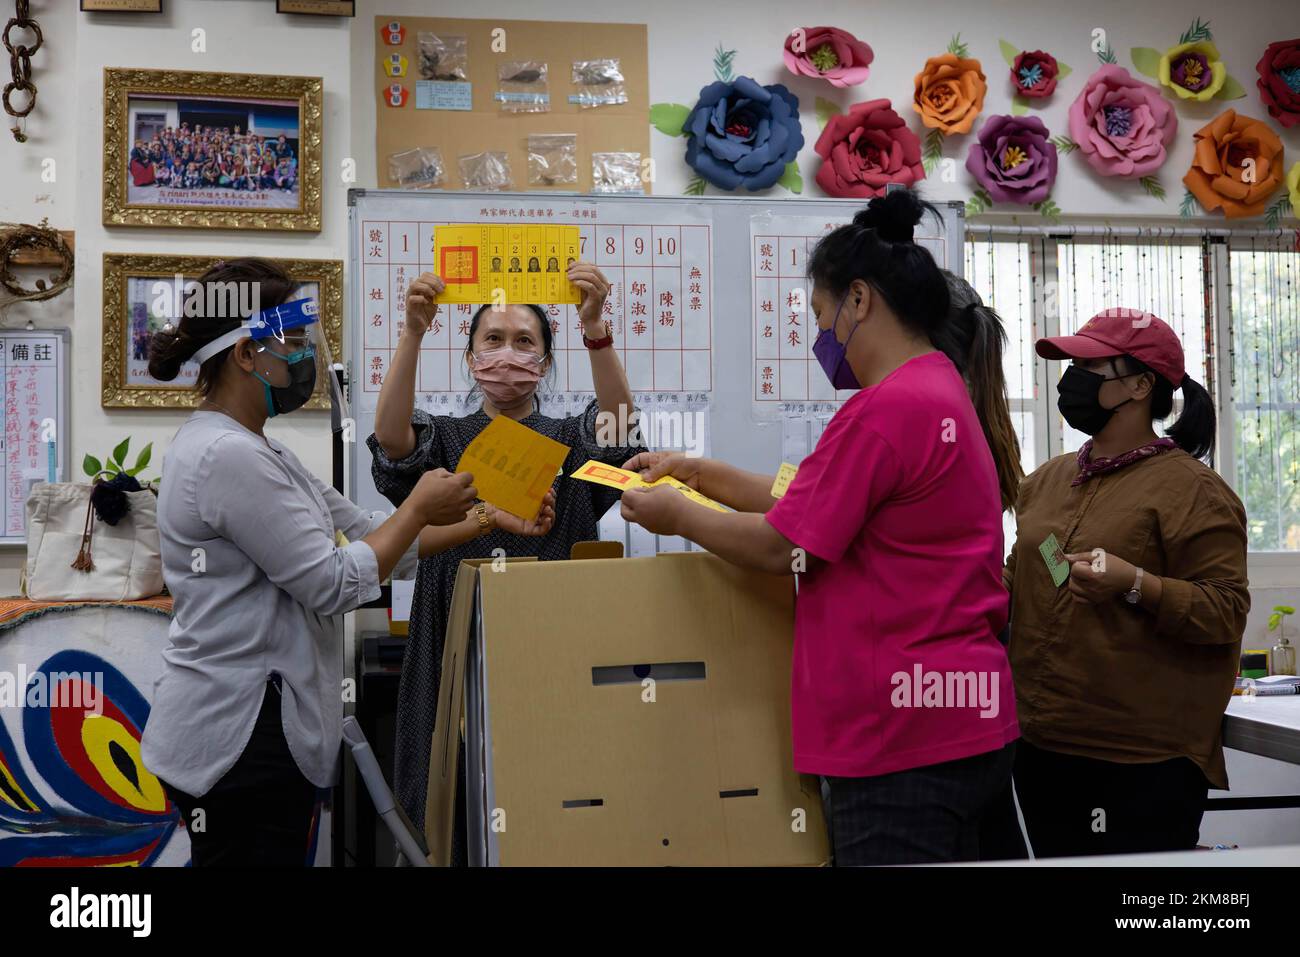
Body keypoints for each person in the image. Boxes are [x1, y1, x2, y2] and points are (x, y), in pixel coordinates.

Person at [619, 190, 1021, 865]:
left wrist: (676, 513)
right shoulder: (936, 389)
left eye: (819, 313)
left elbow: (784, 543)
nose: (820, 336)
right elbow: (805, 498)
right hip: (958, 721)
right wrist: (691, 471)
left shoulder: (885, 408)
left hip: (901, 741)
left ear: (858, 300)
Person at [139, 258, 554, 866]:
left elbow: (369, 537)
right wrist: (416, 508)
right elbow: (335, 581)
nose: (306, 359)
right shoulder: (228, 456)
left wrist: (489, 519)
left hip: (255, 725)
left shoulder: (256, 450)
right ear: (248, 355)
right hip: (240, 734)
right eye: (295, 342)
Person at [367, 260, 643, 853]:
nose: (508, 353)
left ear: (544, 361)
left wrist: (595, 329)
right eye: (493, 339)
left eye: (525, 342)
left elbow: (620, 433)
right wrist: (413, 331)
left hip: (554, 644)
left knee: (554, 805)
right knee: (453, 807)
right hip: (450, 641)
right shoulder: (443, 438)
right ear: (470, 357)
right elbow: (392, 438)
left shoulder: (569, 440)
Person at [1004, 308, 1249, 857]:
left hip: (1140, 759)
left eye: (1090, 366)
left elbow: (1226, 610)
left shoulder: (1192, 490)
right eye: (1073, 364)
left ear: (1140, 385)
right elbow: (1016, 578)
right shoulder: (1047, 480)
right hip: (1042, 744)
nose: (1072, 380)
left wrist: (1137, 584)